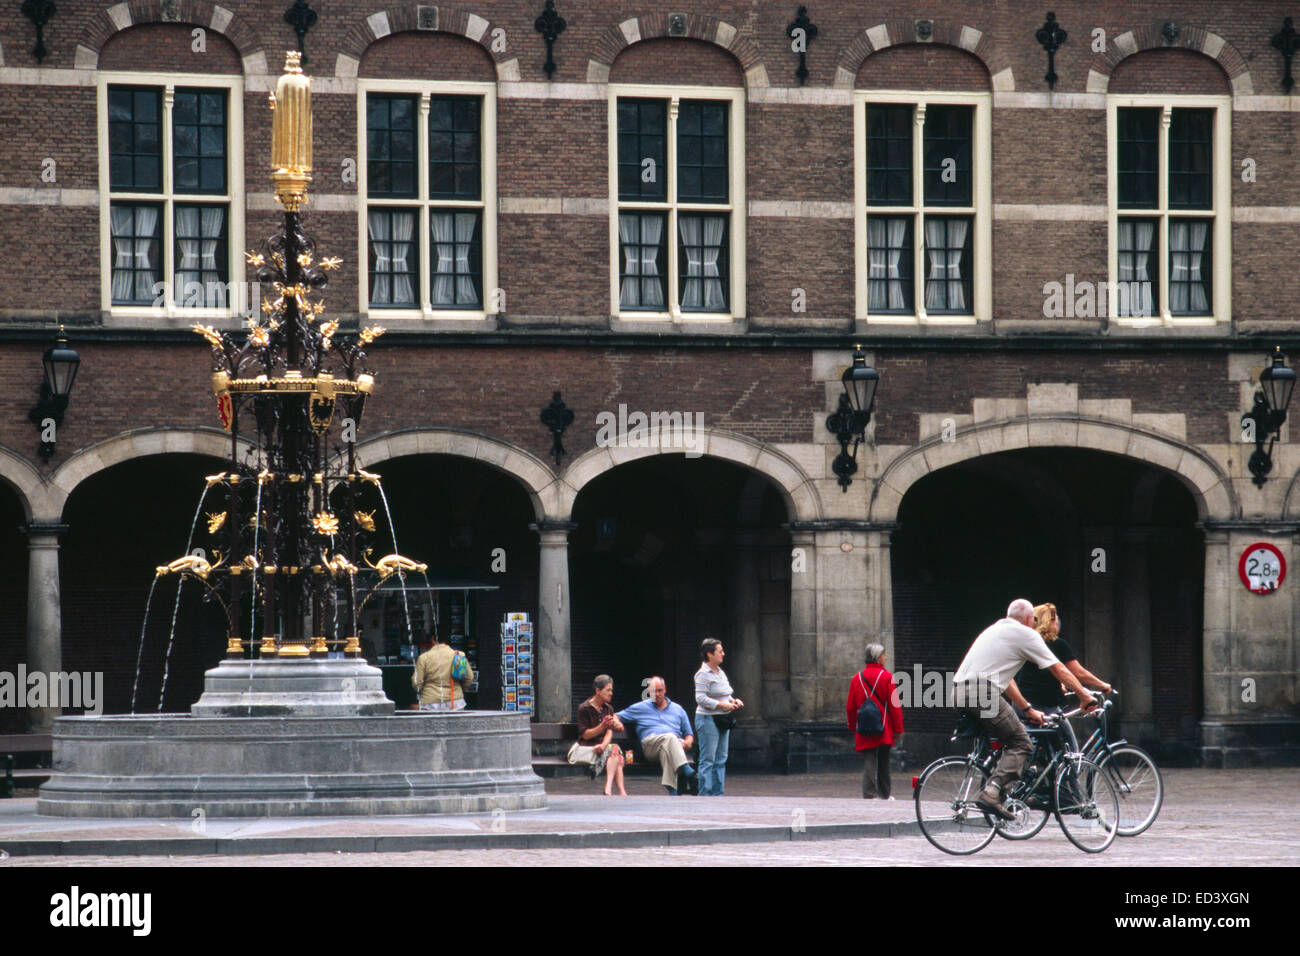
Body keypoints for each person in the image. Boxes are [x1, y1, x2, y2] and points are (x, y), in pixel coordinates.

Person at [952, 598, 1097, 820]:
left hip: (957, 692)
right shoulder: (1026, 634)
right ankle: (992, 792)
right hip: (982, 694)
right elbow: (1059, 668)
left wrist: (1028, 709)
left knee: (1006, 737)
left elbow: (1008, 681)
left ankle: (1003, 791)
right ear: (1030, 619)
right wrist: (1084, 696)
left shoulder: (993, 630)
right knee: (1022, 742)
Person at [1015, 602, 1112, 750]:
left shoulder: (1029, 643)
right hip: (1044, 706)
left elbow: (1038, 671)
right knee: (1071, 749)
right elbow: (1078, 672)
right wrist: (1102, 685)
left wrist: (1060, 684)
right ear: (1050, 621)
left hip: (1020, 704)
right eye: (1056, 620)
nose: (1058, 624)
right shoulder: (1057, 644)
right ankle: (1070, 773)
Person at [616, 676, 698, 795]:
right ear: (649, 692)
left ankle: (673, 792)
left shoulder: (678, 709)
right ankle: (688, 771)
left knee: (667, 751)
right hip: (650, 746)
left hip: (673, 746)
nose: (657, 694)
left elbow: (689, 734)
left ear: (665, 690)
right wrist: (617, 723)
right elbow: (616, 716)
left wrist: (688, 742)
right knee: (670, 737)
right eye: (654, 691)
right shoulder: (640, 707)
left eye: (660, 691)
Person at [845, 643, 903, 799]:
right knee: (884, 761)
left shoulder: (856, 679)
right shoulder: (886, 677)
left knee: (869, 759)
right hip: (884, 727)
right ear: (877, 658)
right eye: (884, 655)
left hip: (864, 726)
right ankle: (884, 794)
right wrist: (898, 728)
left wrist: (852, 725)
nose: (886, 657)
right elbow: (894, 706)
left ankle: (869, 794)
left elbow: (850, 707)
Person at [694, 638, 743, 796]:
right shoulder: (702, 674)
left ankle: (718, 794)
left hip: (723, 719)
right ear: (709, 654)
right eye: (719, 651)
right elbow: (700, 698)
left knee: (721, 759)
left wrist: (733, 701)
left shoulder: (720, 672)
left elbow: (725, 693)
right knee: (708, 759)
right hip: (708, 719)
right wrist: (722, 705)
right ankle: (705, 795)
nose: (723, 654)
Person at [573, 674, 628, 796]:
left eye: (611, 690)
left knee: (614, 751)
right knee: (616, 752)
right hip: (588, 747)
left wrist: (603, 745)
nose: (611, 693)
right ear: (598, 691)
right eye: (608, 690)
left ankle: (611, 789)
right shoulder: (584, 708)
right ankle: (619, 791)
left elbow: (609, 732)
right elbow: (585, 735)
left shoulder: (608, 708)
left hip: (603, 748)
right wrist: (601, 727)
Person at [411, 631, 474, 711]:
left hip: (430, 702)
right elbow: (469, 678)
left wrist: (422, 693)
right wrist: (460, 689)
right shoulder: (459, 655)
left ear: (432, 638)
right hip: (455, 701)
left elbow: (417, 682)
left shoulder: (424, 658)